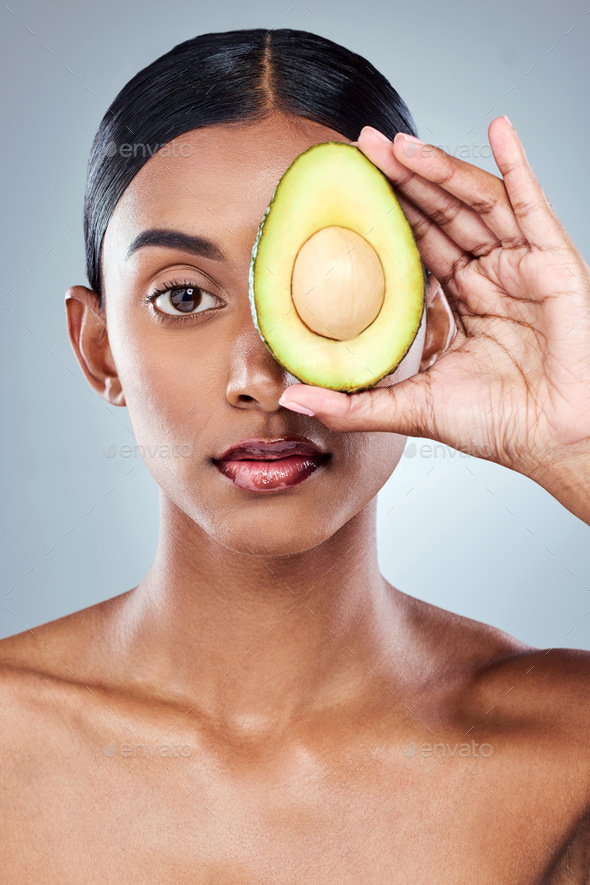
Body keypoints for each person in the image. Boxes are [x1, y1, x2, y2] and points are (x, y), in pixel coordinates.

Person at [1, 26, 589, 883]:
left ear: (427, 327)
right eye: (182, 295)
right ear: (98, 350)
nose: (262, 375)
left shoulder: (568, 749)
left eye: (332, 281)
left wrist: (581, 441)